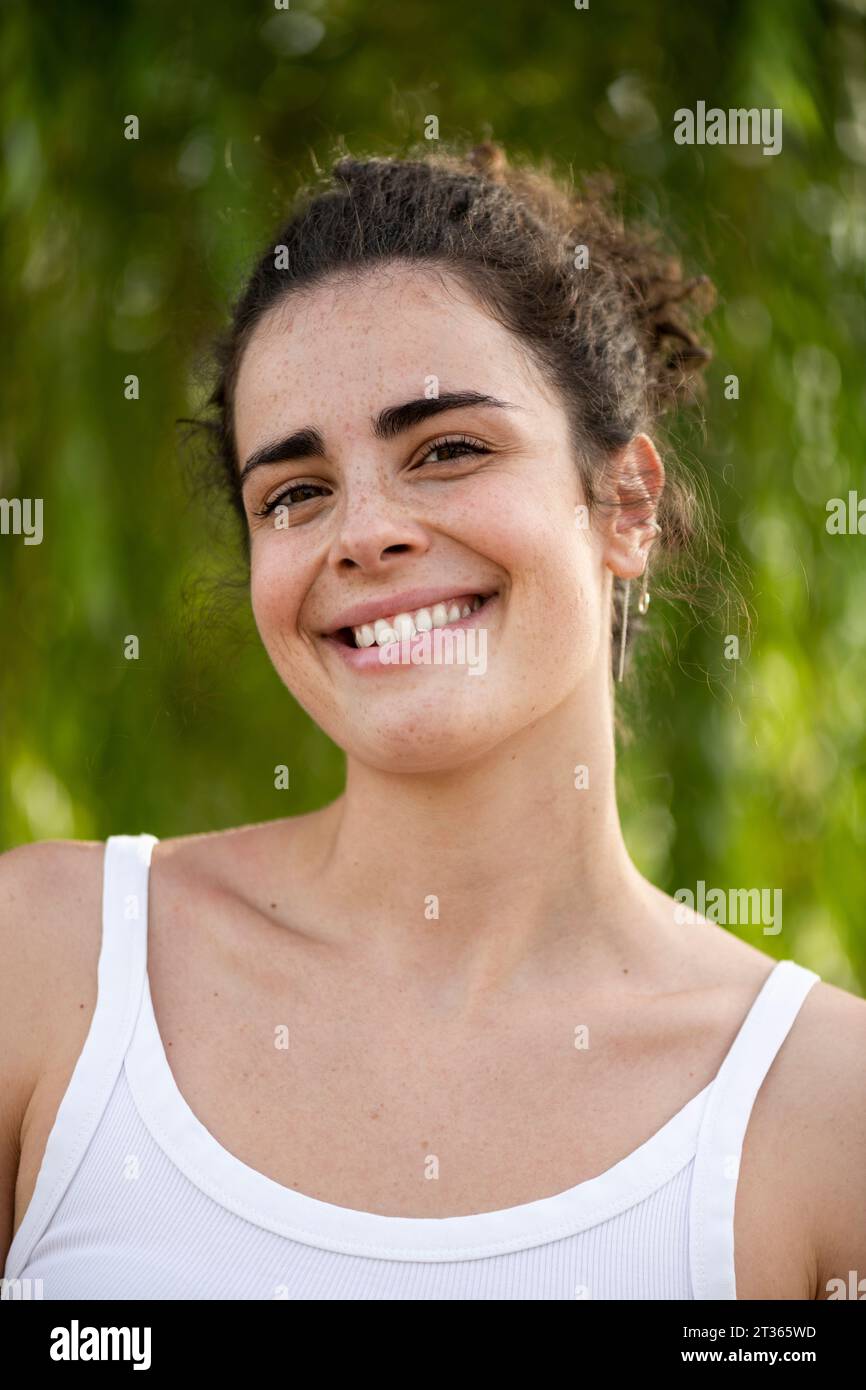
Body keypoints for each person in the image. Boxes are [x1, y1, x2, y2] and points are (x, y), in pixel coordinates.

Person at [2, 141, 864, 1301]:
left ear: (623, 504)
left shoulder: (824, 1111)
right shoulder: (50, 962)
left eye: (447, 449)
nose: (364, 532)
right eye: (295, 492)